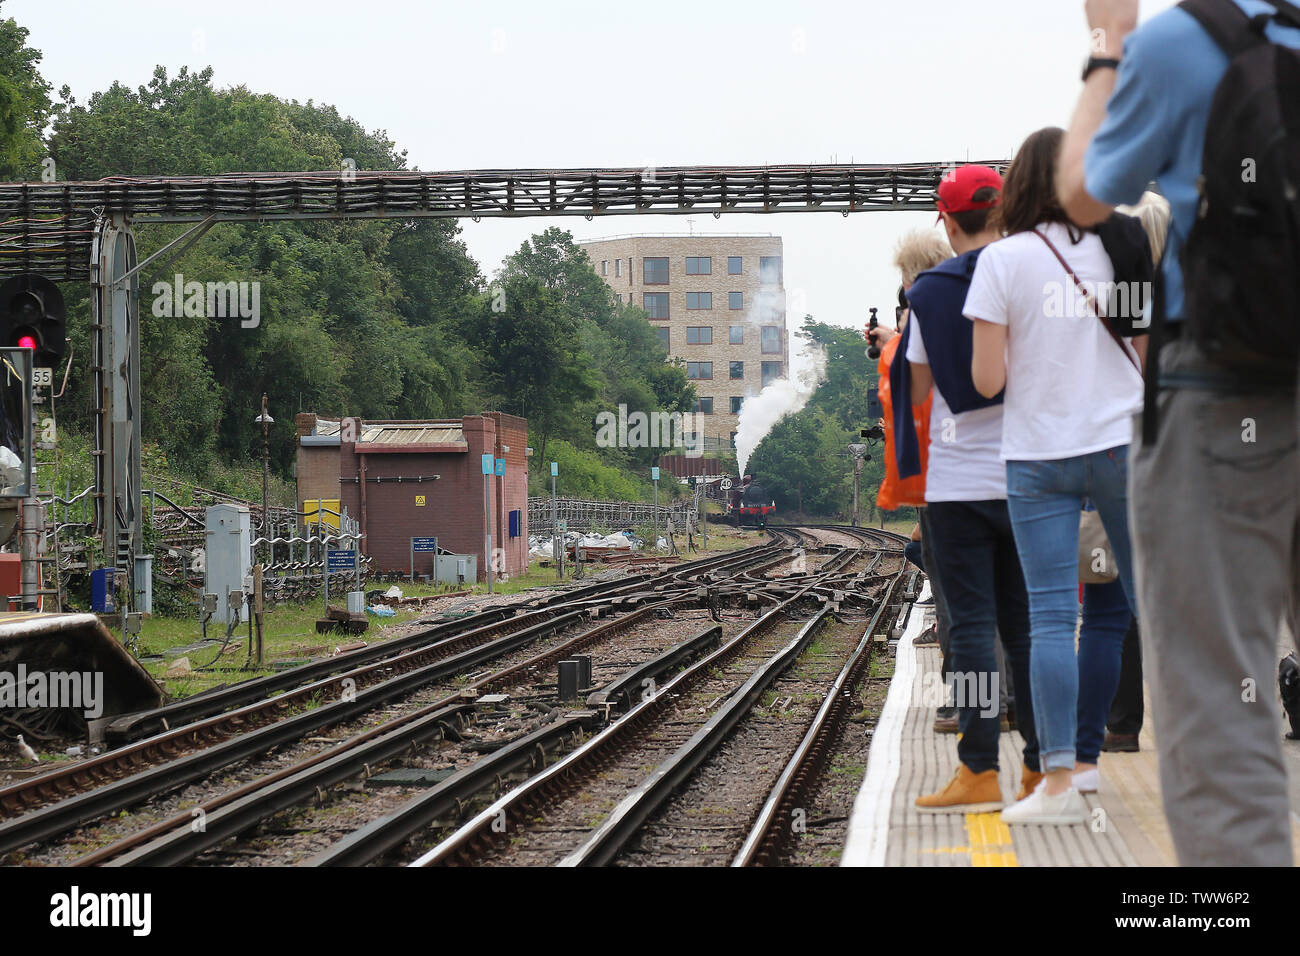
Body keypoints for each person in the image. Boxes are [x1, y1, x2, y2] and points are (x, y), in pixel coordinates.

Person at [1057, 0, 1299, 866]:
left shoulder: (1183, 41)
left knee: (1222, 710)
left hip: (1225, 394)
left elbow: (1083, 191)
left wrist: (1107, 46)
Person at [967, 127, 1143, 826]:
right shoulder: (1124, 246)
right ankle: (1201, 772)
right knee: (1150, 608)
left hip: (1039, 454)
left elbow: (986, 381)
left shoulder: (1002, 260)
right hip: (1121, 446)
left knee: (1049, 618)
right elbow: (1147, 354)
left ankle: (1060, 786)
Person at [898, 165, 1042, 812]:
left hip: (957, 487)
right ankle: (1043, 767)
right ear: (1004, 213)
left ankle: (979, 769)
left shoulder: (928, 294)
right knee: (1030, 629)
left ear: (948, 223)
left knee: (977, 628)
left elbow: (920, 390)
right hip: (1031, 474)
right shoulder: (1033, 273)